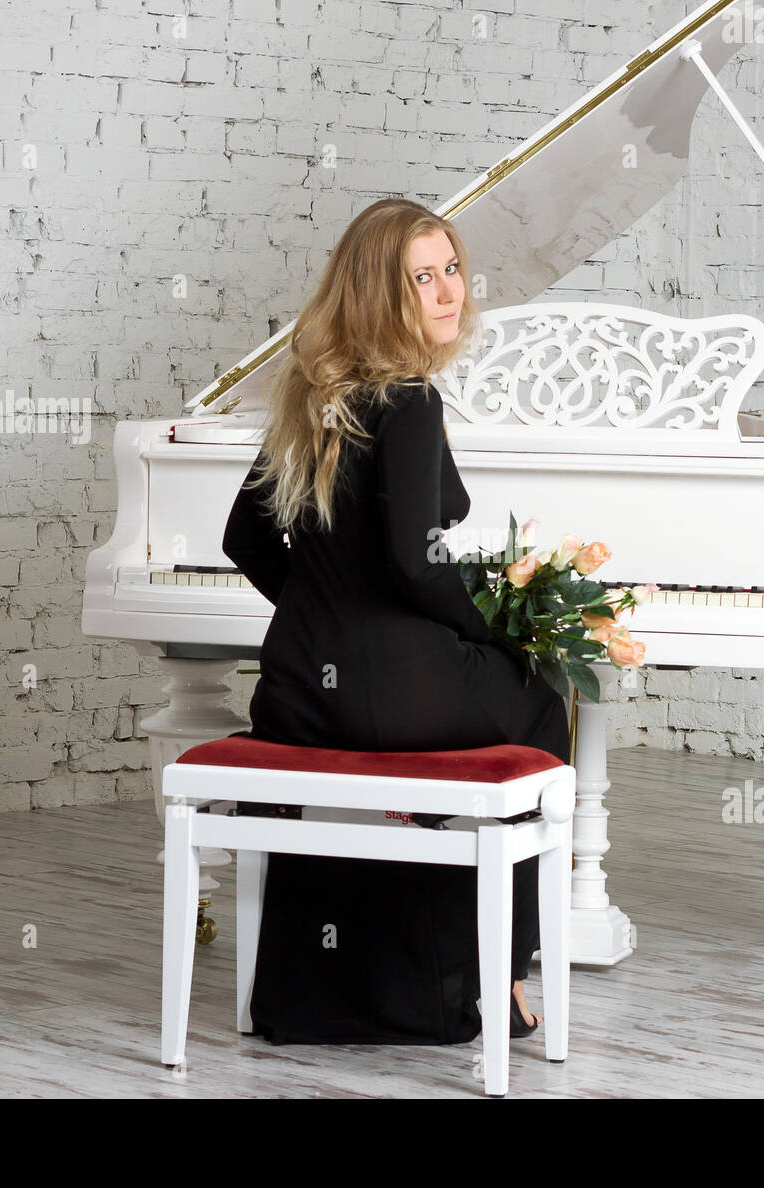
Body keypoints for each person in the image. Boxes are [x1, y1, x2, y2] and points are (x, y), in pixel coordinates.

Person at [220, 196, 571, 1045]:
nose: (450, 290)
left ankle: (397, 916)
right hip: (392, 696)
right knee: (543, 698)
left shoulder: (312, 391)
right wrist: (495, 630)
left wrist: (324, 618)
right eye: (424, 276)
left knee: (485, 689)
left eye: (452, 268)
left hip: (299, 691)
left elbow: (244, 537)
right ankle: (508, 969)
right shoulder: (409, 400)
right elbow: (418, 558)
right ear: (383, 292)